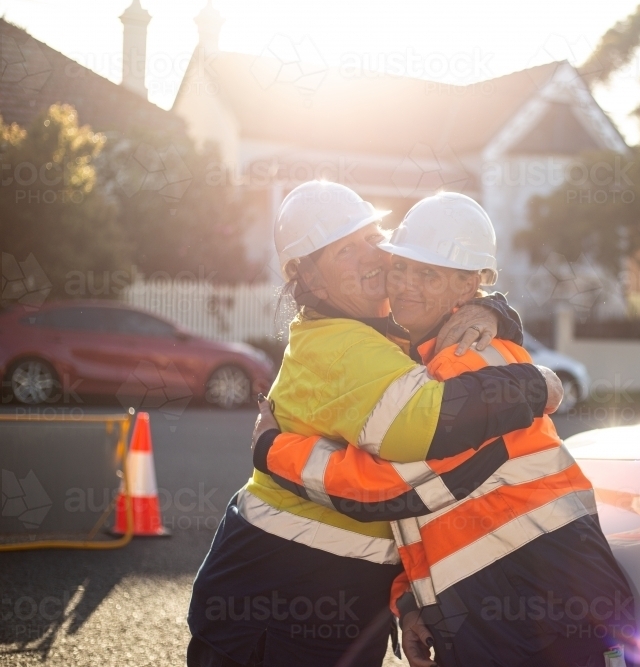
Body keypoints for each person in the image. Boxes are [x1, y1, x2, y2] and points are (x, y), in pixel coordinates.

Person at [187, 182, 564, 667]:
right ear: (308, 276)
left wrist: (490, 309)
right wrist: (538, 385)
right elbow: (430, 426)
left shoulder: (374, 325)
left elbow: (442, 306)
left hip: (328, 591)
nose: (376, 255)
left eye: (373, 236)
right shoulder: (340, 347)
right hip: (276, 596)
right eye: (348, 249)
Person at [253, 193, 635, 667]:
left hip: (553, 597)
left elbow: (394, 488)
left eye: (428, 273)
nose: (407, 285)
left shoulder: (473, 363)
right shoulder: (421, 364)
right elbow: (421, 522)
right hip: (488, 605)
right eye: (403, 267)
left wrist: (274, 450)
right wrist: (413, 603)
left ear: (467, 287)